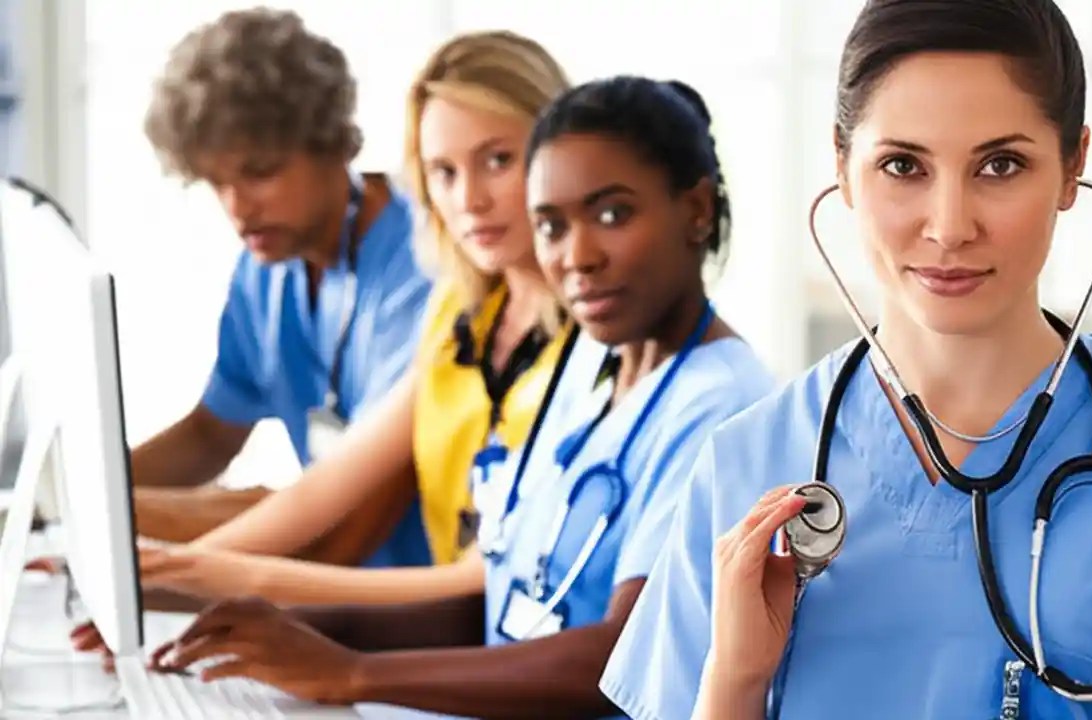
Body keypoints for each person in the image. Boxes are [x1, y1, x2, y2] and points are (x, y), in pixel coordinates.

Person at [599, 2, 1092, 719]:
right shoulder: (744, 464)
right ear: (843, 168)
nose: (950, 227)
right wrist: (733, 684)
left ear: (1074, 165)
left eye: (1000, 164)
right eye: (902, 165)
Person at [143, 76, 775, 719]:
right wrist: (301, 631)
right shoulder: (590, 365)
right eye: (551, 226)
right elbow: (502, 601)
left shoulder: (722, 404)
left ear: (696, 211)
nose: (577, 257)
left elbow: (619, 656)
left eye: (612, 215)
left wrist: (353, 673)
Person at [97, 30, 576, 607]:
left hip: (412, 614)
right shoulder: (467, 312)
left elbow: (359, 532)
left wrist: (134, 540)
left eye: (260, 172)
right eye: (444, 172)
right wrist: (163, 566)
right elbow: (300, 478)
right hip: (428, 627)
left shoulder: (437, 279)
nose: (237, 207)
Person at [128, 7, 433, 569]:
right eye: (217, 182)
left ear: (333, 143)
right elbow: (209, 435)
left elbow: (346, 526)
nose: (237, 208)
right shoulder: (265, 271)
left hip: (399, 607)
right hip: (313, 590)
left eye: (260, 172)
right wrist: (69, 498)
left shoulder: (420, 269)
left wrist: (114, 524)